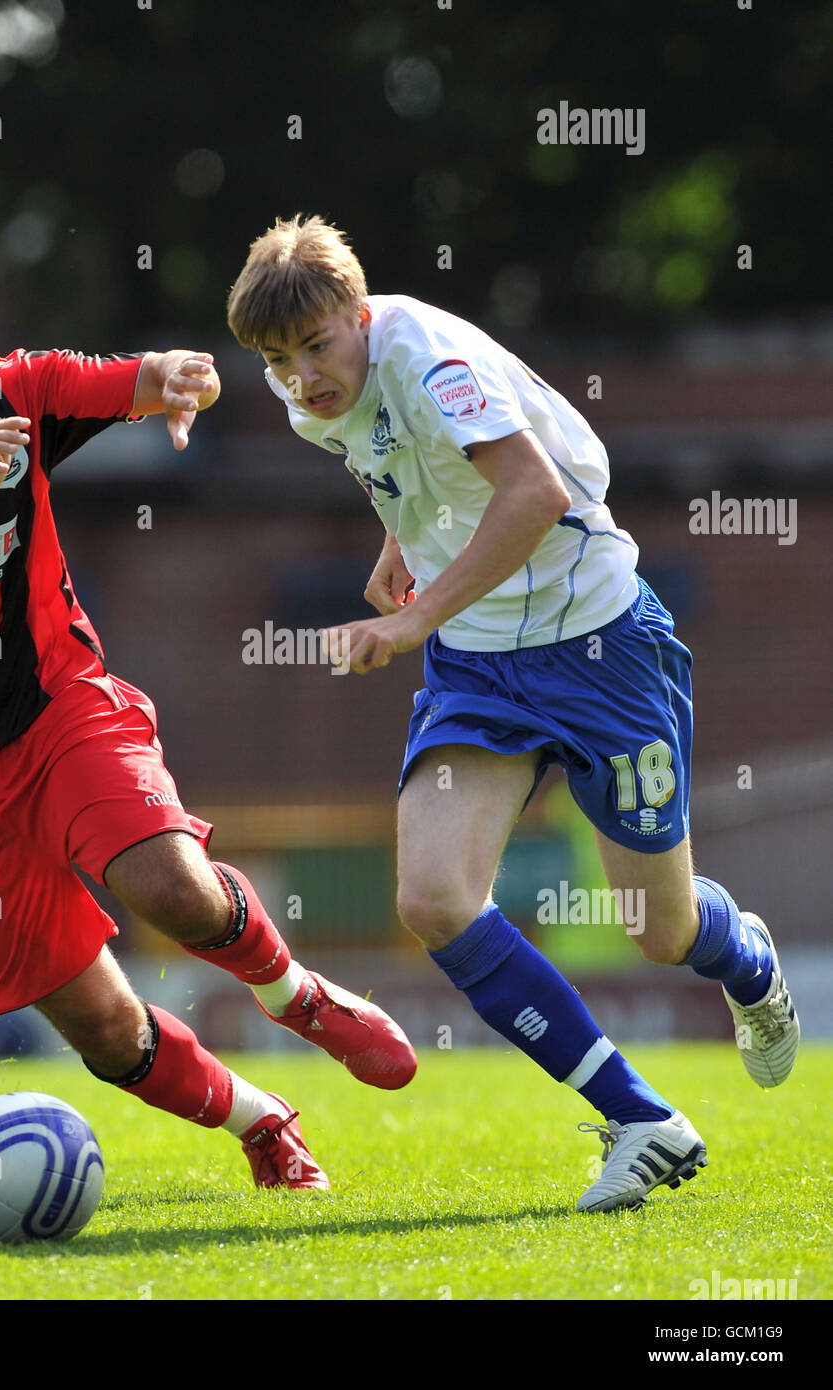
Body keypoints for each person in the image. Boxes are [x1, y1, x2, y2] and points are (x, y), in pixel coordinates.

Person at [0, 205, 417, 1194]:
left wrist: (180, 378)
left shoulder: (18, 388)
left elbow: (144, 374)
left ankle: (297, 997)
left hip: (60, 708)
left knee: (169, 885)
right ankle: (261, 1120)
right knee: (107, 1030)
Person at [226, 214, 800, 1212]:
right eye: (278, 359)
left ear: (359, 317)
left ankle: (745, 959)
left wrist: (412, 615)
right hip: (479, 669)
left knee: (656, 933)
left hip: (600, 645)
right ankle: (642, 1120)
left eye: (317, 346)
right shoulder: (308, 400)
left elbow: (531, 491)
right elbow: (396, 459)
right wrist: (404, 534)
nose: (303, 375)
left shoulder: (430, 360)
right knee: (434, 899)